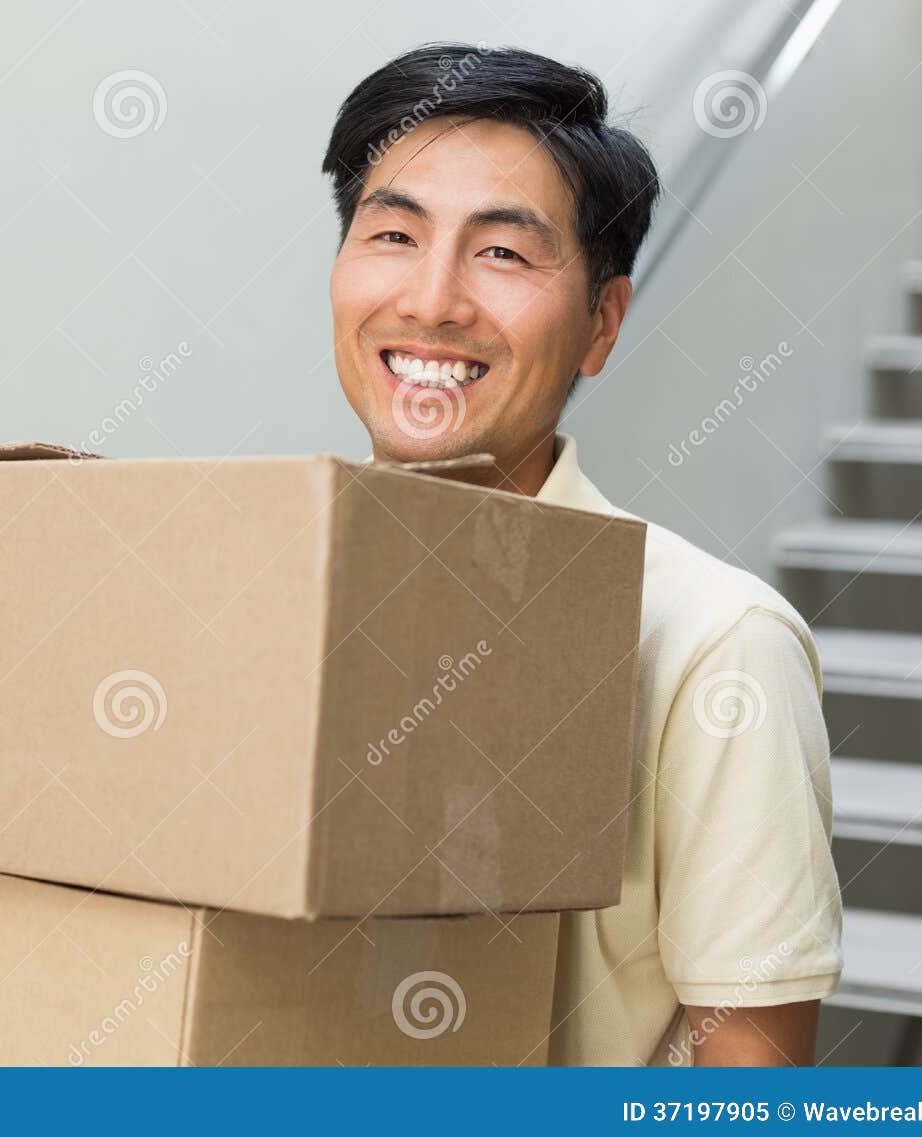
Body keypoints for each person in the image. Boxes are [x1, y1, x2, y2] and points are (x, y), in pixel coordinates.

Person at [322, 42, 842, 1066]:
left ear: (601, 323)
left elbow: (755, 1094)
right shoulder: (265, 588)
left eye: (502, 253)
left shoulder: (713, 645)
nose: (431, 300)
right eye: (391, 233)